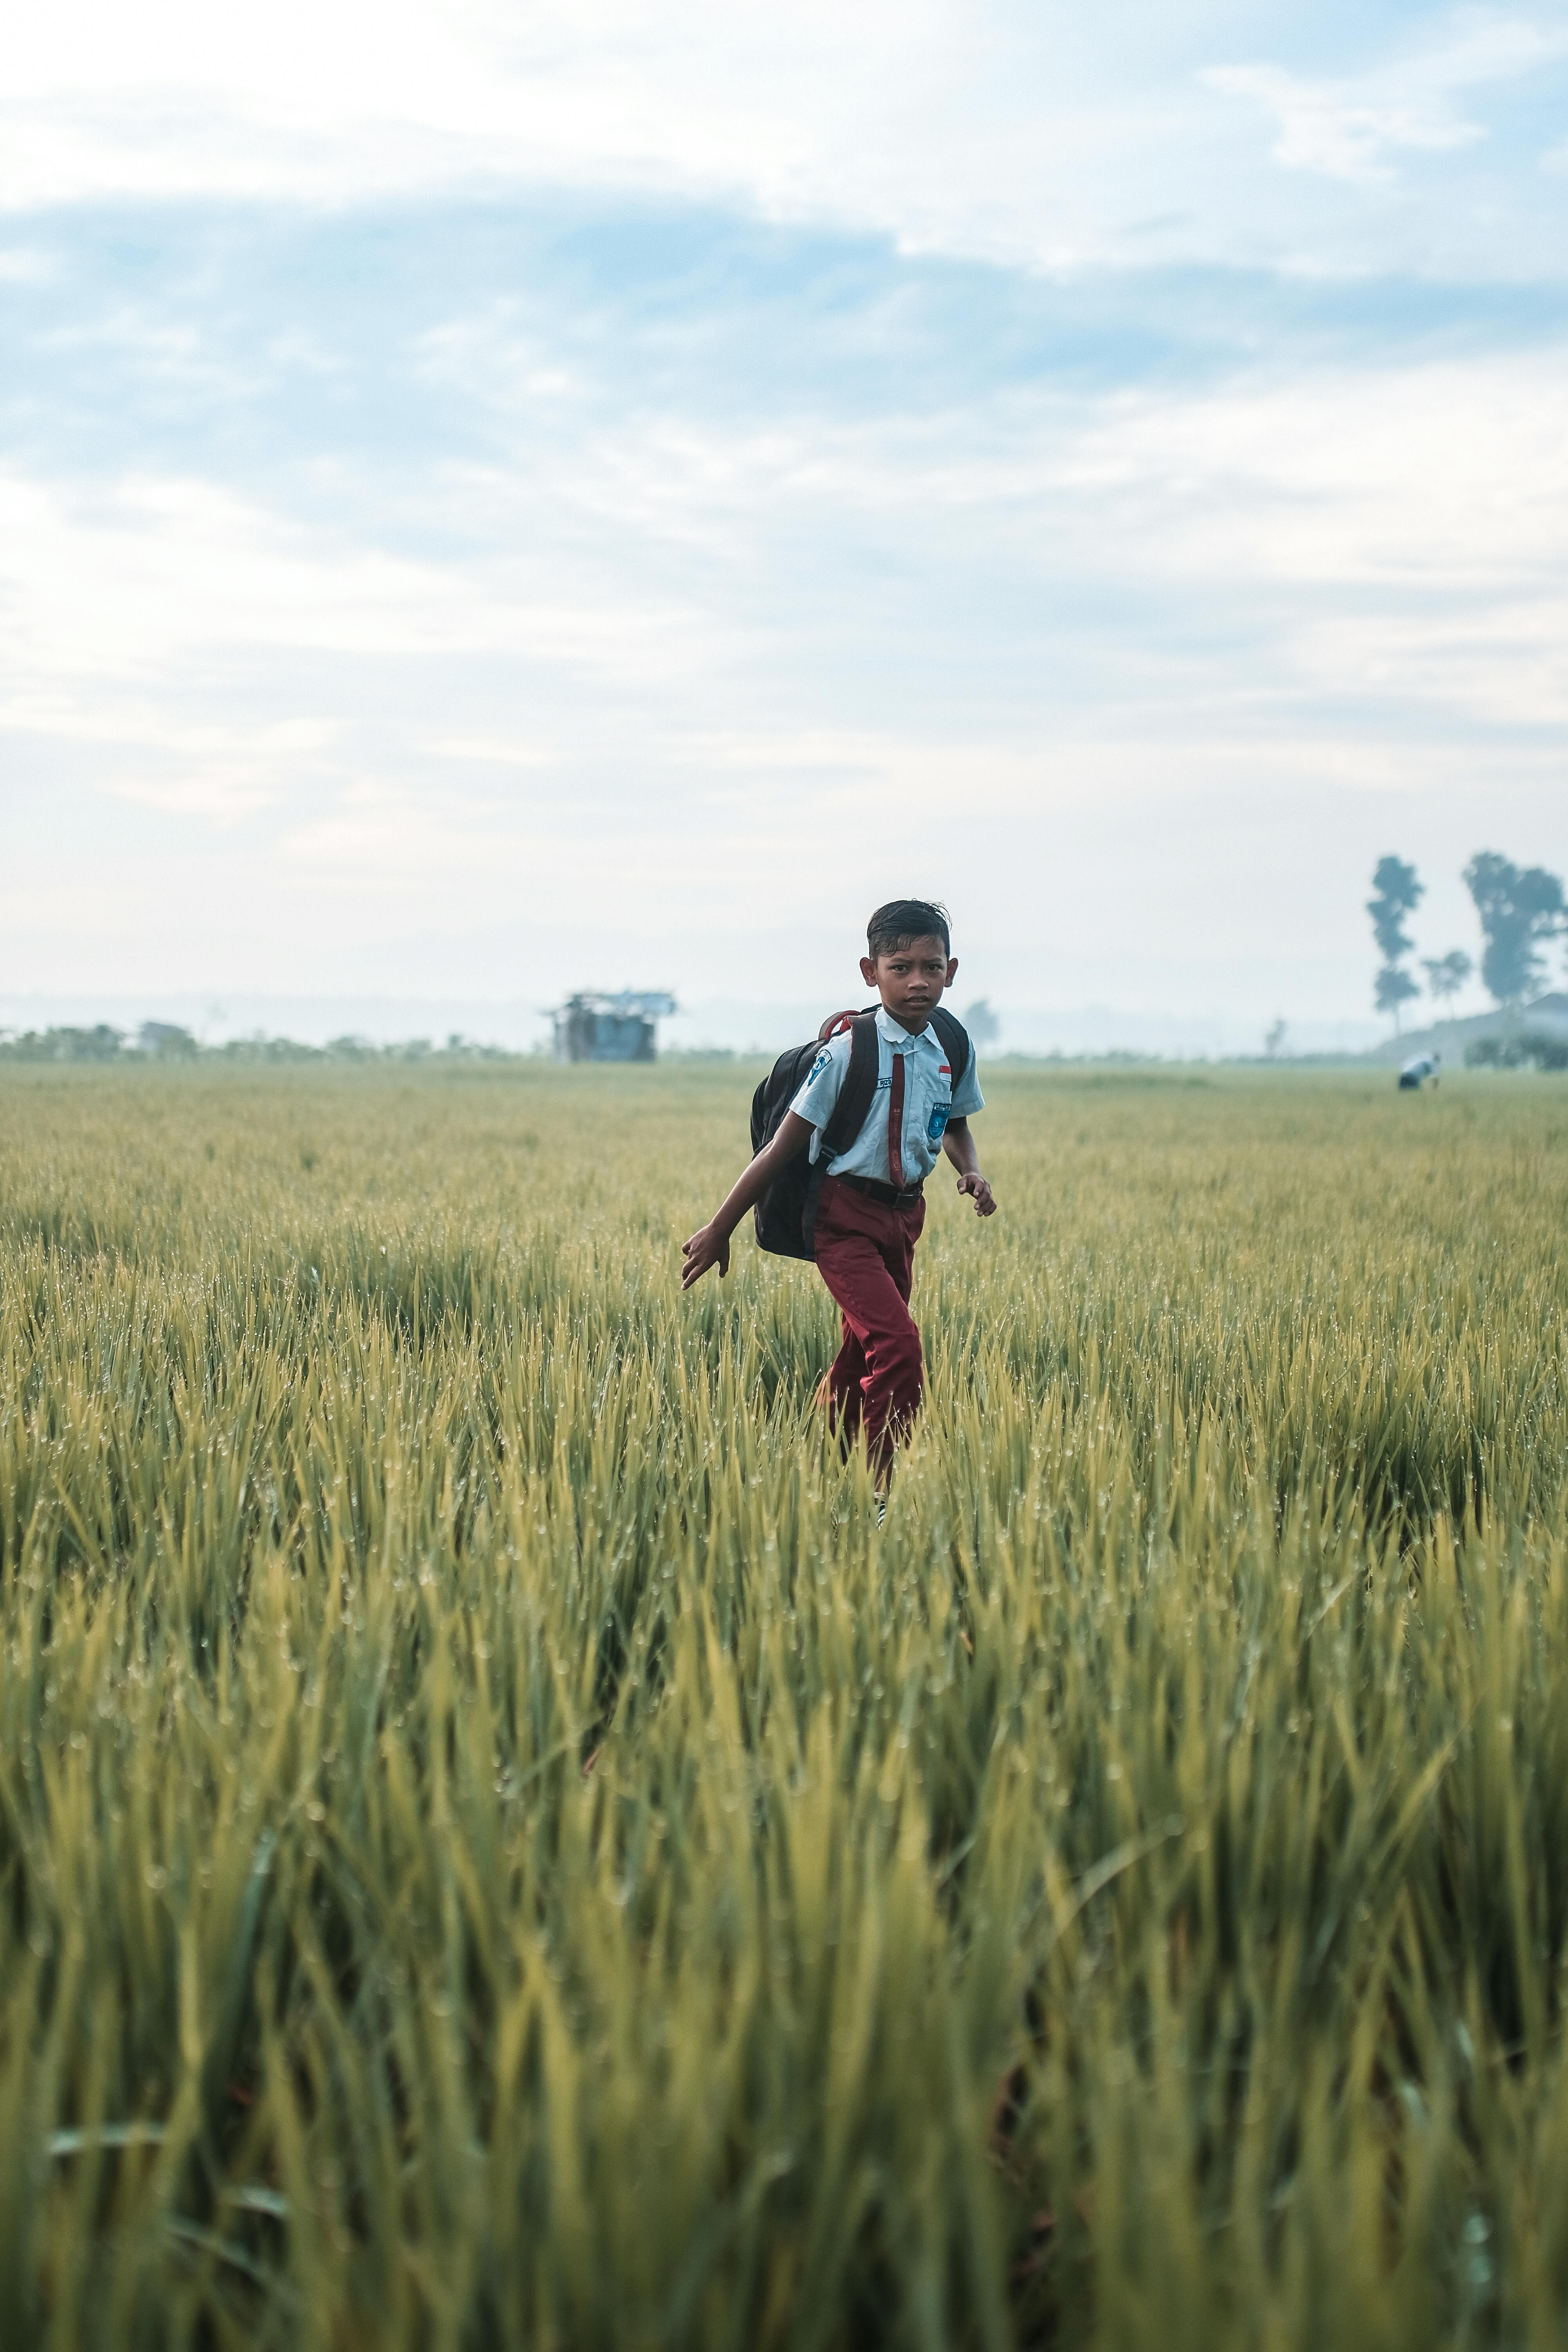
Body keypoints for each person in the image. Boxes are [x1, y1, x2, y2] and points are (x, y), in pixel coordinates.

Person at [681, 898, 996, 1472]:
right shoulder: (848, 1052)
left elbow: (954, 1122)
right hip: (843, 1219)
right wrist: (720, 1228)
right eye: (900, 968)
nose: (918, 982)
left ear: (952, 971)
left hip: (904, 1219)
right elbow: (781, 1148)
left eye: (931, 967)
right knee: (898, 1347)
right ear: (869, 972)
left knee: (861, 1350)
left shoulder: (952, 1045)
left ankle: (828, 1461)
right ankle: (882, 1482)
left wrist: (970, 1169)